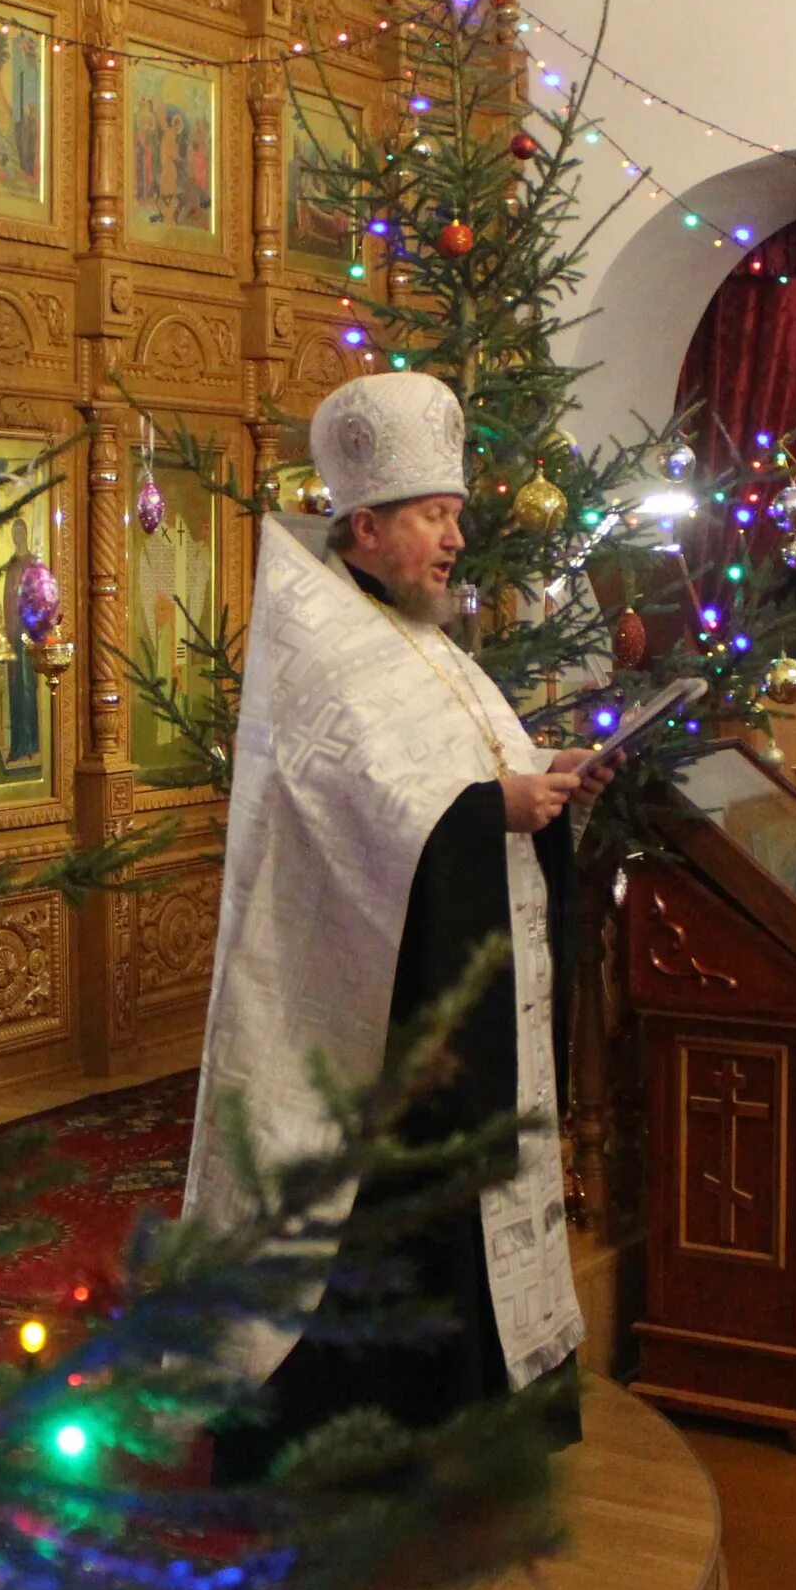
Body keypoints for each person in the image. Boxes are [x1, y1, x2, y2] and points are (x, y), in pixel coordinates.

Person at [185, 370, 606, 1483]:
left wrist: (546, 779)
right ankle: (366, 1458)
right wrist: (488, 810)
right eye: (434, 515)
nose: (456, 538)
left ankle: (468, 1436)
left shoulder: (426, 642)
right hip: (371, 1023)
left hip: (450, 993)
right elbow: (357, 811)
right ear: (366, 526)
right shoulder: (326, 648)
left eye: (455, 514)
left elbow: (457, 775)